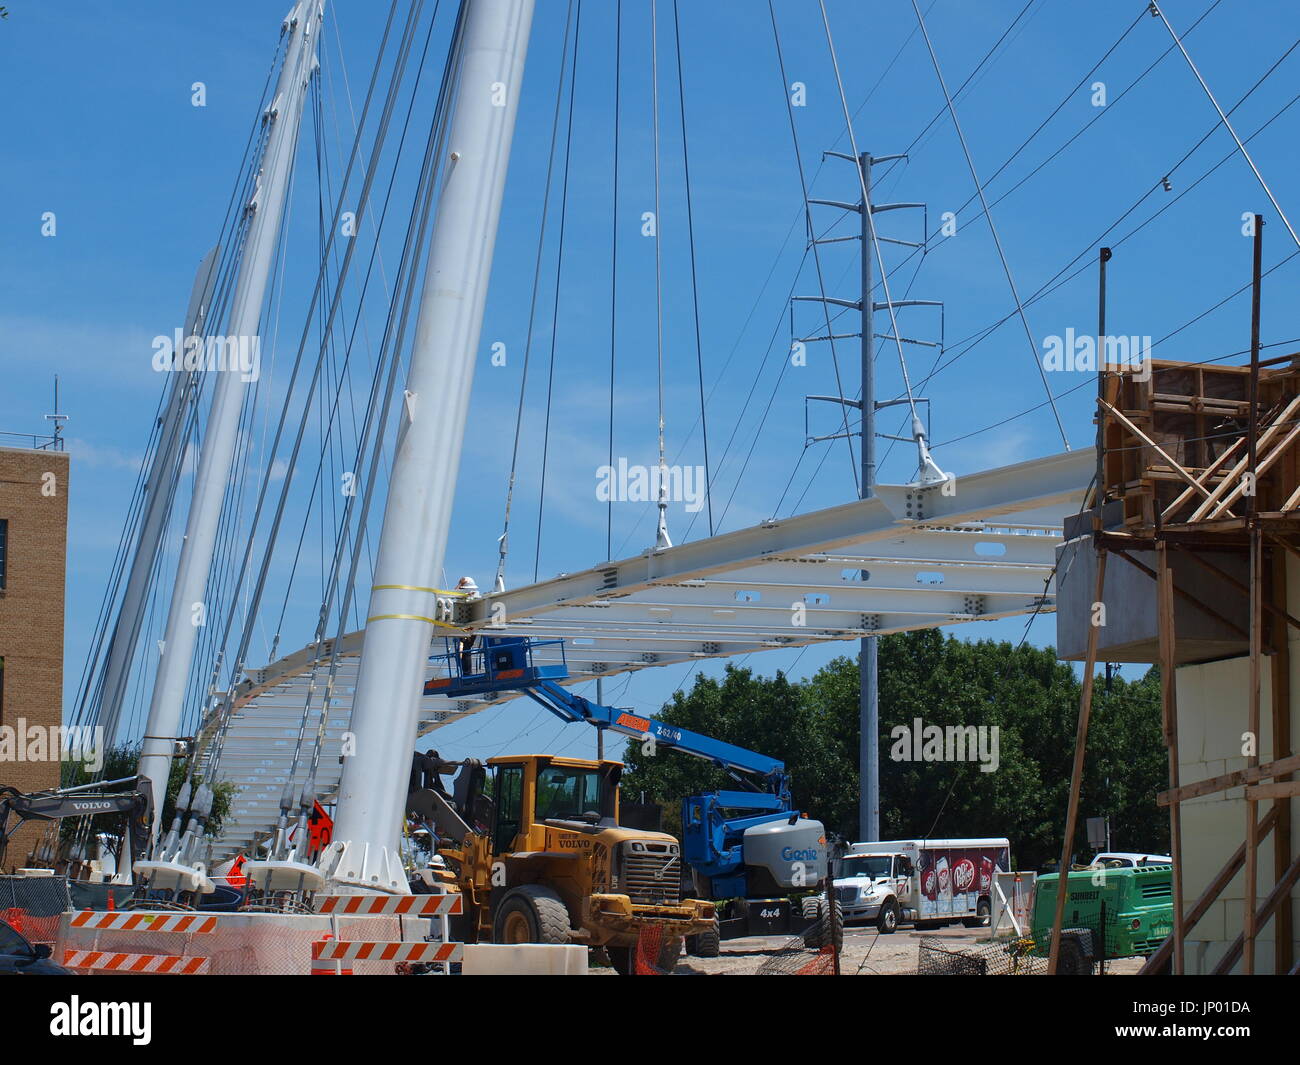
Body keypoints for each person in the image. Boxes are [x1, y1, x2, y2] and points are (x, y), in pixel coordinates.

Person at [454, 576, 480, 674]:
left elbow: (454, 594)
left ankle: (467, 672)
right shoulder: (470, 596)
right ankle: (466, 672)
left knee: (465, 648)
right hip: (470, 627)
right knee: (465, 649)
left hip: (470, 627)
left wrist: (460, 584)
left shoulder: (470, 597)